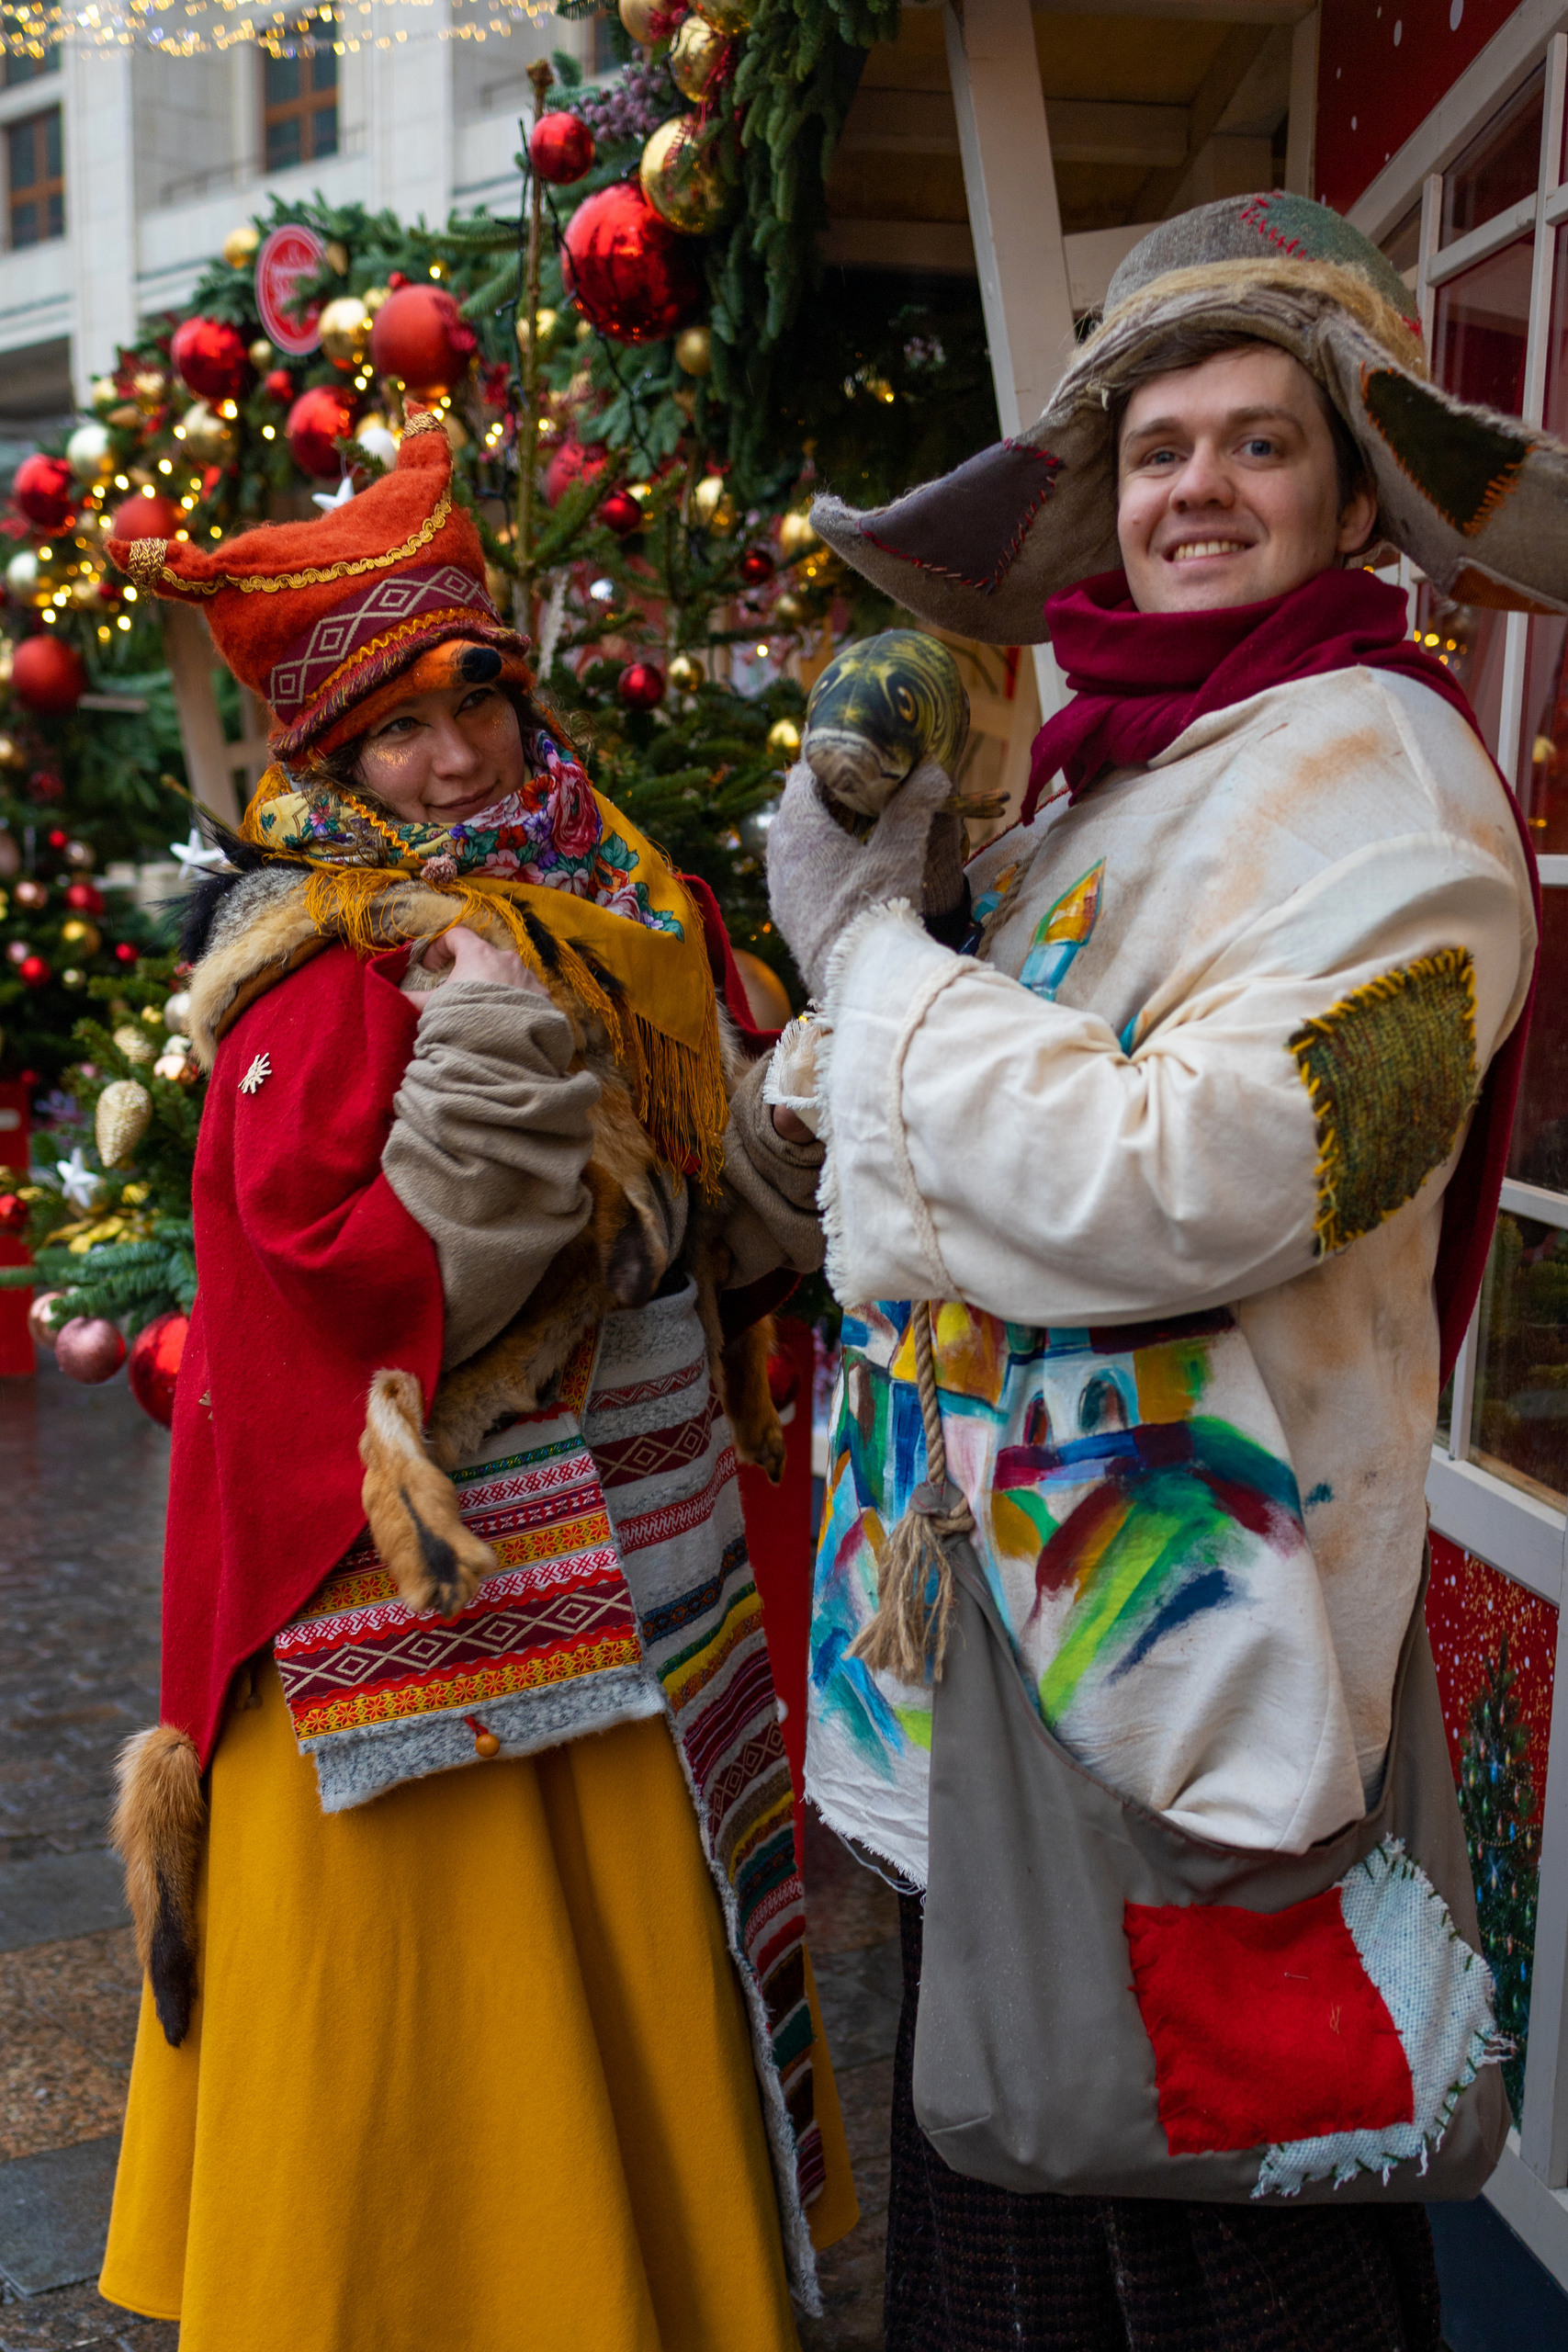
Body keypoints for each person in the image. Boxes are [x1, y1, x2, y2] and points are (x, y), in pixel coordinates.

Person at [765, 193, 1547, 2349]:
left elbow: (1190, 1176)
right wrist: (850, 1018)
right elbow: (876, 1112)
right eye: (1153, 446)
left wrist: (862, 958)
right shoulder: (1118, 767)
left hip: (1198, 1667)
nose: (1193, 485)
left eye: (1256, 440)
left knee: (1219, 2231)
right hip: (998, 1660)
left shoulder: (1383, 798)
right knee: (1011, 2195)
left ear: (1352, 489)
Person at [95, 410, 854, 2351]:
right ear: (329, 759)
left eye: (476, 706)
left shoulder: (616, 902)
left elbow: (702, 1185)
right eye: (399, 730)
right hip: (446, 1617)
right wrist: (510, 1100)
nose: (451, 757)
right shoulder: (328, 971)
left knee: (627, 1980)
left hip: (629, 1582)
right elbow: (341, 1279)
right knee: (463, 2055)